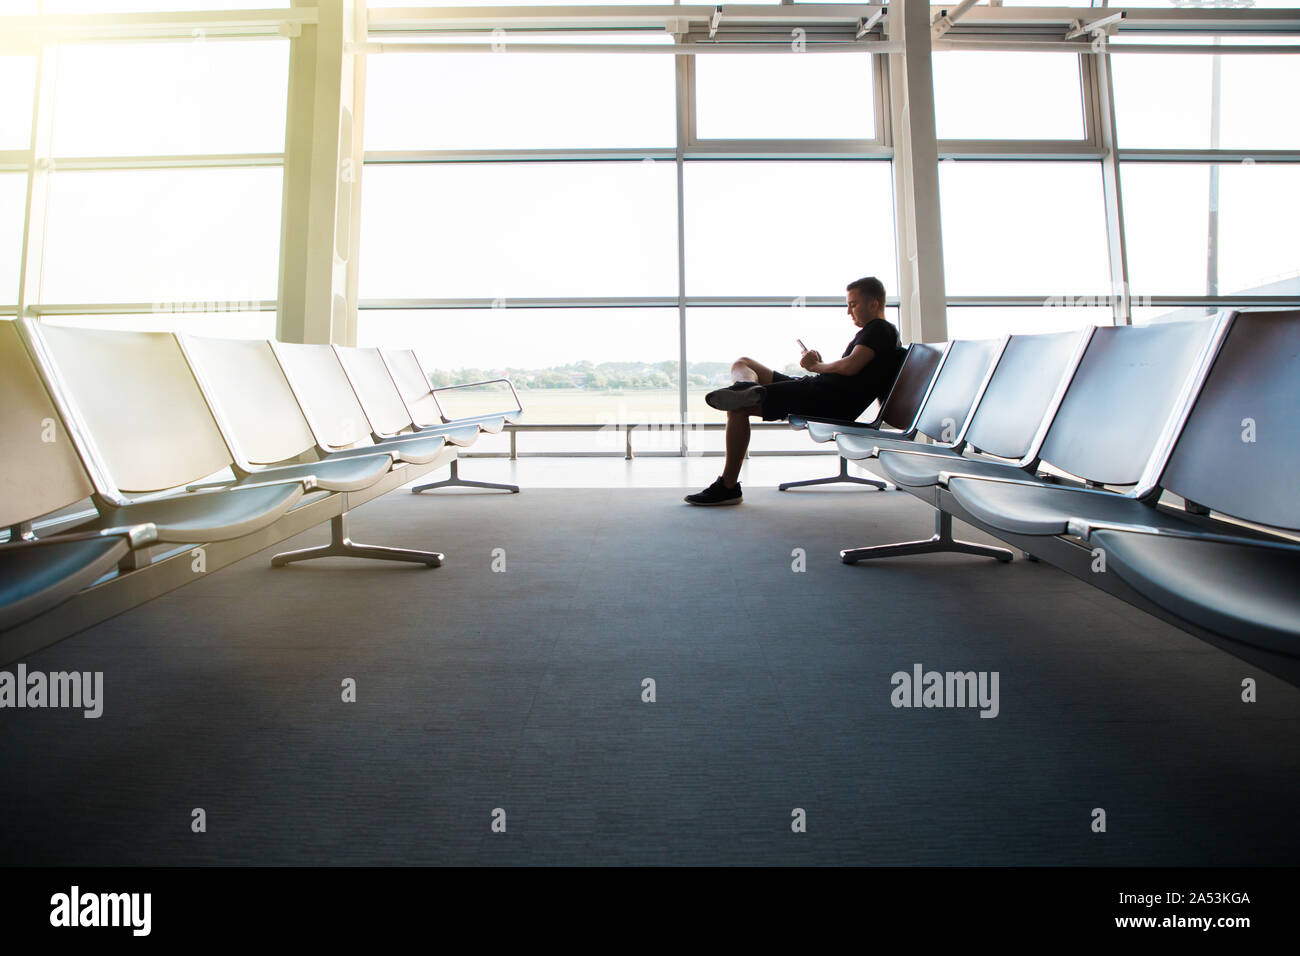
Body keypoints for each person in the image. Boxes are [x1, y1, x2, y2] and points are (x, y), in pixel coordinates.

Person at [684, 275, 906, 506]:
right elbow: (851, 373)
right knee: (744, 363)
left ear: (874, 303)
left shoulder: (879, 329)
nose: (849, 312)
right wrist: (820, 367)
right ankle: (747, 388)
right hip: (820, 390)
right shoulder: (880, 333)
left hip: (825, 400)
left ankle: (728, 486)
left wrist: (817, 366)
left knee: (738, 407)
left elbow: (851, 366)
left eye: (853, 304)